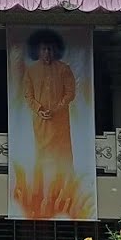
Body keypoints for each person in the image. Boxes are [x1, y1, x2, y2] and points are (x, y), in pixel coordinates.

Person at [20, 28, 76, 164]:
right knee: (42, 156)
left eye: (50, 49)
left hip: (60, 120)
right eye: (44, 49)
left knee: (61, 155)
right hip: (41, 121)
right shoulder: (31, 71)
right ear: (38, 51)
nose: (47, 53)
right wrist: (39, 110)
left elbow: (70, 93)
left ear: (55, 51)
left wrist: (57, 109)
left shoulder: (64, 69)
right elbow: (28, 96)